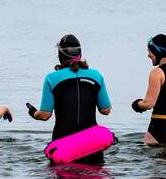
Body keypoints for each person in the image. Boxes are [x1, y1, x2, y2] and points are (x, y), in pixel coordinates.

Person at [28, 34, 113, 163]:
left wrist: (34, 113)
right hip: (91, 146)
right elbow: (106, 110)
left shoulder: (51, 78)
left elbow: (45, 115)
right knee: (93, 178)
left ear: (60, 55)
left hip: (63, 147)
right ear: (80, 53)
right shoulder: (96, 76)